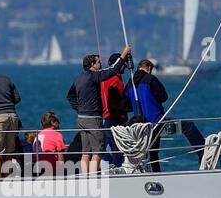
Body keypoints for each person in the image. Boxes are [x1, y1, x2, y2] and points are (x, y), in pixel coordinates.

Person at [127, 59, 204, 171]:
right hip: (156, 121)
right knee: (188, 126)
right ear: (148, 68)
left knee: (152, 152)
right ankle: (203, 152)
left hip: (140, 126)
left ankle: (156, 173)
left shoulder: (130, 83)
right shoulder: (151, 79)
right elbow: (163, 96)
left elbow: (125, 105)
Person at [66, 45, 131, 175]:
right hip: (93, 119)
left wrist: (80, 108)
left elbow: (70, 96)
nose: (101, 64)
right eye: (99, 62)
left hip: (81, 118)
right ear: (92, 64)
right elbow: (113, 70)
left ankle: (85, 177)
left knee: (86, 151)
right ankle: (93, 178)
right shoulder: (93, 76)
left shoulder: (79, 78)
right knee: (98, 151)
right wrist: (124, 54)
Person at [100, 53, 132, 168]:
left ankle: (108, 167)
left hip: (106, 118)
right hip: (116, 118)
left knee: (109, 147)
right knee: (118, 148)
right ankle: (118, 169)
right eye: (123, 64)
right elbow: (117, 102)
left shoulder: (104, 78)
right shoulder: (116, 80)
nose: (124, 67)